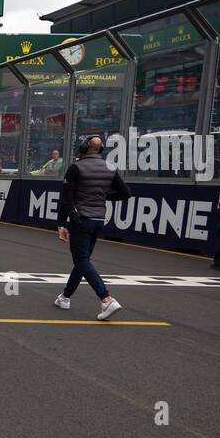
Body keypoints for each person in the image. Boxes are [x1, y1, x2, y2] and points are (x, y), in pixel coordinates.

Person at [54, 135, 131, 320]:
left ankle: (106, 298)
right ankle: (65, 297)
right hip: (98, 219)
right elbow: (126, 193)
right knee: (83, 260)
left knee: (81, 260)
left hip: (81, 219)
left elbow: (66, 199)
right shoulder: (110, 167)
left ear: (84, 147)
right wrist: (104, 197)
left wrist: (61, 224)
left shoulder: (76, 167)